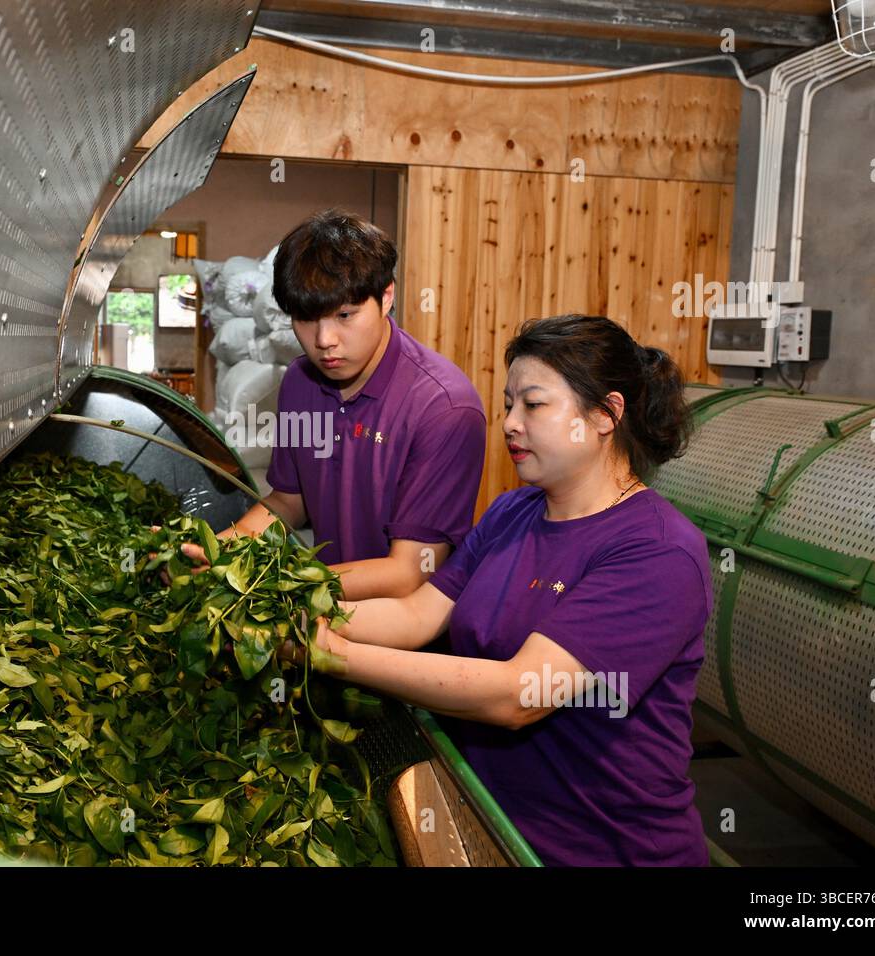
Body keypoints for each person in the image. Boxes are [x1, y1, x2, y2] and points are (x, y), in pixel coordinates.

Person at [304, 313, 713, 866]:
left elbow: (519, 694)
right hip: (495, 832)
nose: (510, 423)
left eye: (534, 404)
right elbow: (415, 614)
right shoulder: (513, 512)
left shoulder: (657, 551)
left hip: (603, 850)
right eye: (508, 402)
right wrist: (282, 605)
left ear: (604, 414)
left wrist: (334, 655)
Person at [183, 209, 487, 600]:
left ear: (387, 296)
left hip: (412, 640)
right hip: (325, 609)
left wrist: (271, 584)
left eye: (345, 315)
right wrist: (219, 549)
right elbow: (288, 503)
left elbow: (408, 573)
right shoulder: (300, 383)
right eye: (307, 319)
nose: (325, 339)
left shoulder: (443, 408)